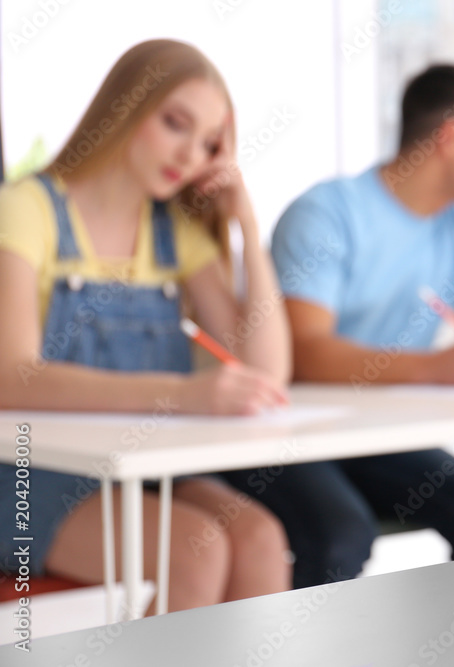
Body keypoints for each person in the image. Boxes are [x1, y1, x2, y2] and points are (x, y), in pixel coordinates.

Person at [0, 40, 293, 612]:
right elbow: (13, 378)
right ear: (123, 108)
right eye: (175, 124)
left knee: (261, 540)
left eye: (208, 142)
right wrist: (182, 395)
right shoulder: (27, 208)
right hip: (28, 477)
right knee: (194, 551)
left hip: (139, 471)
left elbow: (266, 371)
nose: (189, 154)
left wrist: (245, 220)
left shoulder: (172, 230)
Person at [220, 64, 454, 588]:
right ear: (451, 138)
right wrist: (436, 367)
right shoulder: (327, 214)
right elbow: (304, 353)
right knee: (339, 535)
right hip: (295, 438)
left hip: (381, 438)